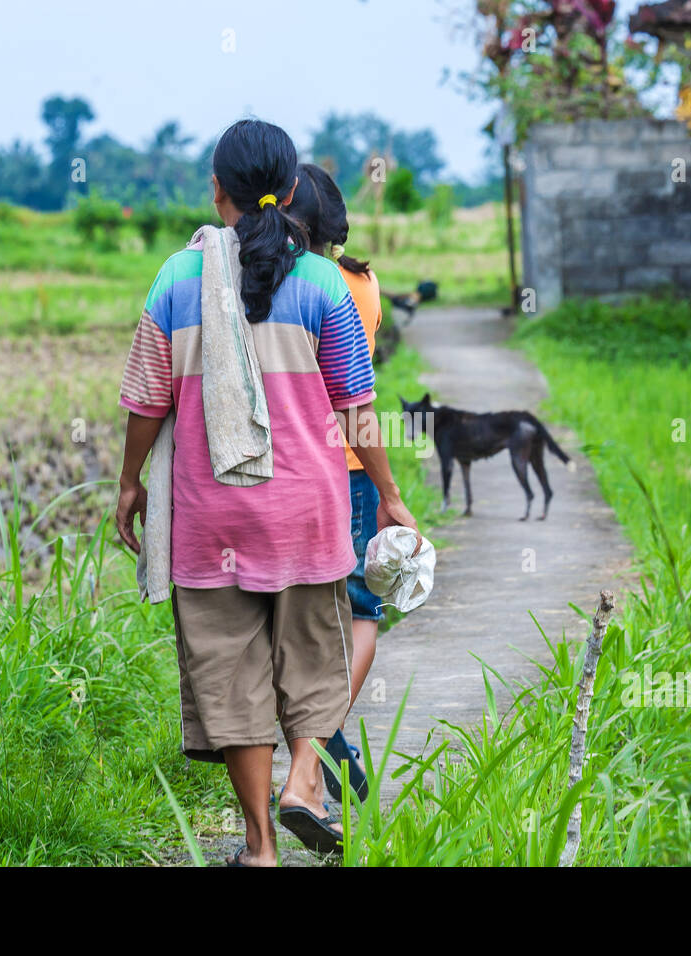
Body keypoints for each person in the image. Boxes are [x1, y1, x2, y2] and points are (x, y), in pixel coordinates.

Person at [114, 120, 420, 866]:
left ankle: (258, 848)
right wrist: (389, 494)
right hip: (307, 513)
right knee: (313, 659)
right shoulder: (321, 281)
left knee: (231, 671)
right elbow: (357, 406)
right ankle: (304, 781)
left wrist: (128, 485)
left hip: (209, 516)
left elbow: (148, 401)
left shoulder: (174, 278)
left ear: (216, 190)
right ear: (287, 194)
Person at [284, 163, 385, 803]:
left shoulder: (287, 284)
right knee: (363, 607)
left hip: (294, 472)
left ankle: (315, 737)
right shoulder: (363, 282)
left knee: (303, 615)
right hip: (354, 470)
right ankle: (324, 735)